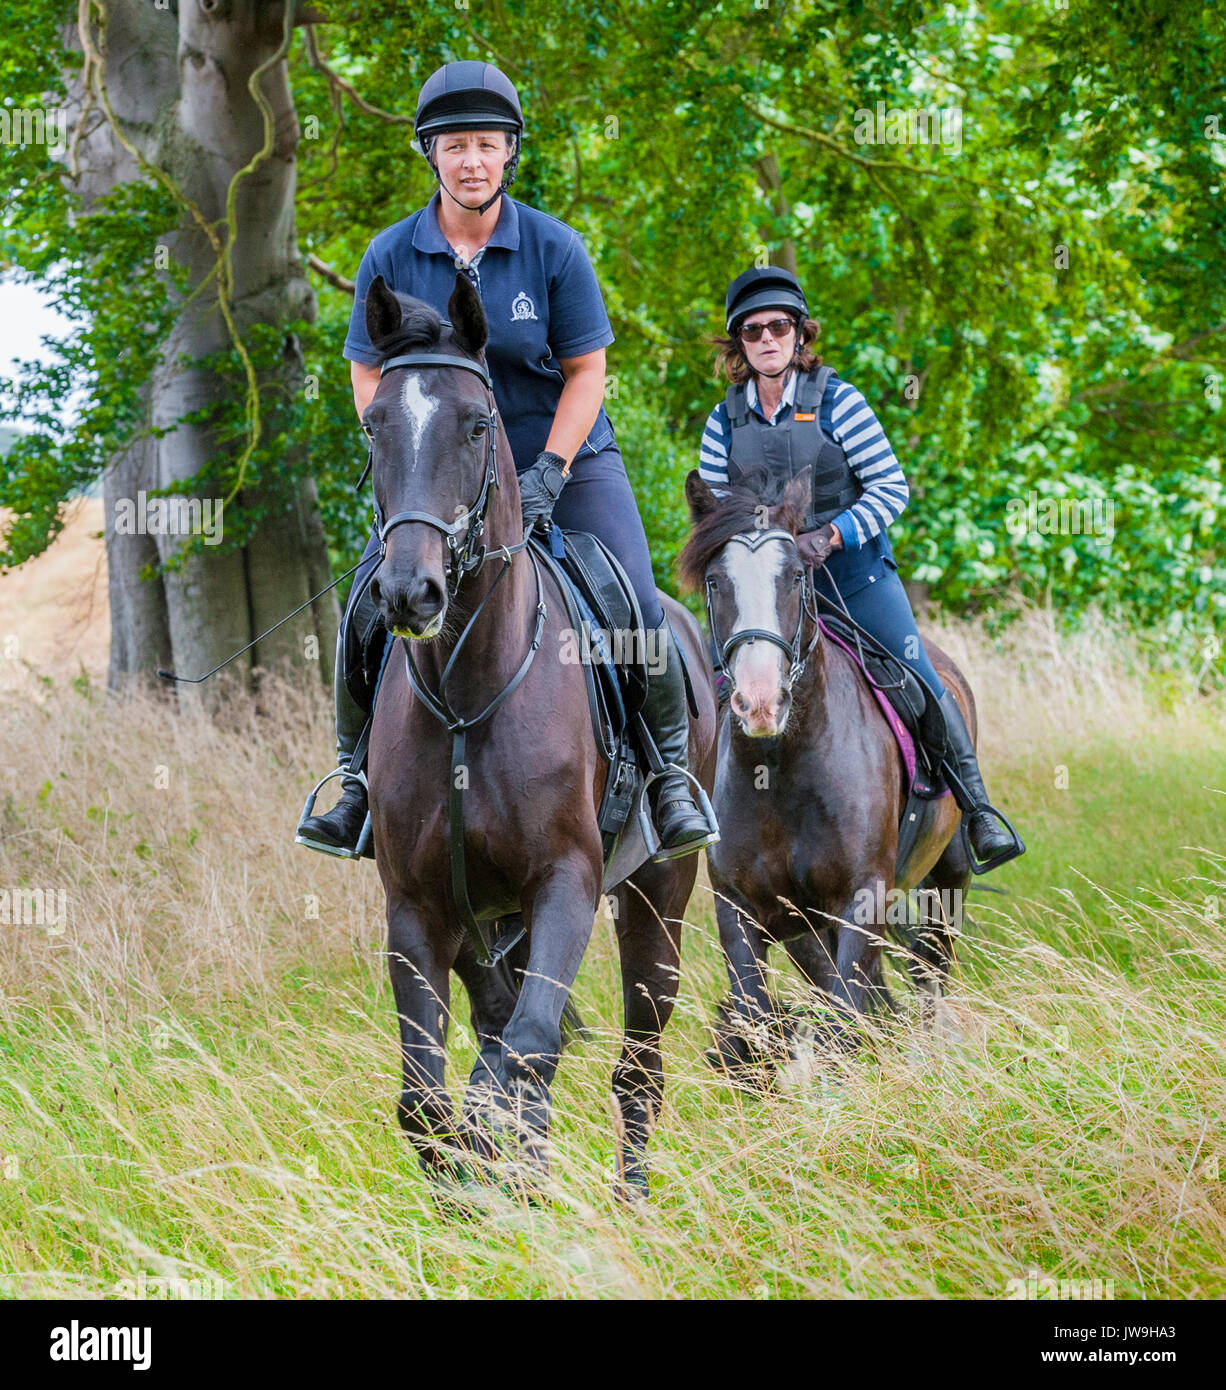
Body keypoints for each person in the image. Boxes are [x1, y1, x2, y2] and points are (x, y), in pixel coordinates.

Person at [296, 60, 717, 860]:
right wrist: (407, 461)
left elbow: (587, 371)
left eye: (487, 145)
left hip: (564, 455)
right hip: (441, 474)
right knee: (364, 605)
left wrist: (552, 470)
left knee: (634, 601)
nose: (472, 161)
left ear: (509, 153)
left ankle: (668, 780)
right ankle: (353, 785)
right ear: (430, 153)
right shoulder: (389, 255)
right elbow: (367, 374)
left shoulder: (553, 248)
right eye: (455, 146)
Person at [698, 266, 1023, 871]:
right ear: (737, 343)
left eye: (779, 326)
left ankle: (977, 812)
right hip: (765, 596)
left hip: (853, 580)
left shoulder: (839, 401)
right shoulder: (723, 422)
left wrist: (831, 533)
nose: (767, 339)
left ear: (799, 334)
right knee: (712, 687)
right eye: (752, 330)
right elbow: (716, 520)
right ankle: (691, 808)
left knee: (919, 676)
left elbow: (891, 488)